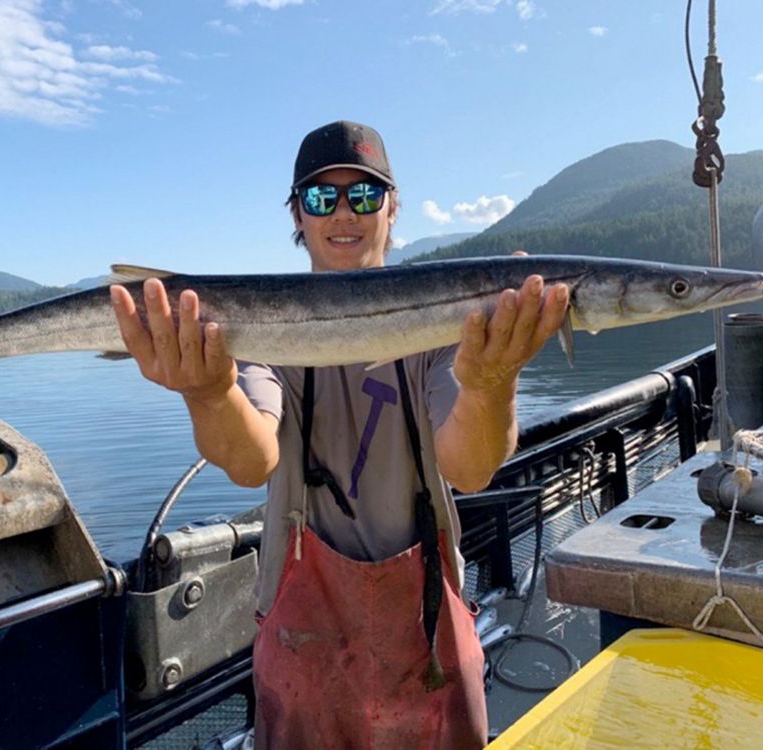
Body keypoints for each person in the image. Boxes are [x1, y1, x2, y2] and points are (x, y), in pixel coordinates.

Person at [110, 120, 568, 749]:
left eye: (365, 194)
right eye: (322, 198)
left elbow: (469, 468)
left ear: (393, 206)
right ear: (297, 214)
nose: (343, 213)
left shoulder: (449, 325)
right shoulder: (264, 330)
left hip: (430, 625)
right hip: (303, 648)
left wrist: (491, 383)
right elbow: (250, 460)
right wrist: (208, 391)